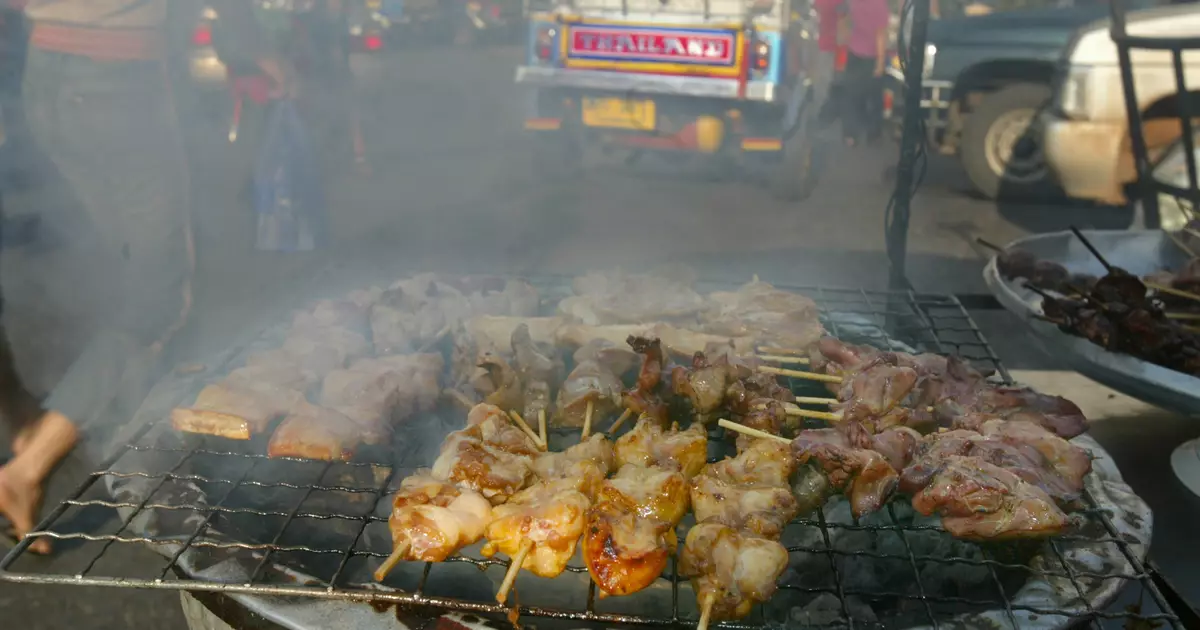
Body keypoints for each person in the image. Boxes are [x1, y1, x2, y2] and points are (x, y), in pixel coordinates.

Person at [0, 0, 290, 553]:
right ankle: (28, 467)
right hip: (119, 80)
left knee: (135, 265)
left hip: (45, 73)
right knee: (162, 296)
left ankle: (34, 425)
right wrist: (255, 48)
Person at [841, 0, 891, 146]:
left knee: (851, 95)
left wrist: (849, 39)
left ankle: (850, 135)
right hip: (871, 56)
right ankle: (873, 134)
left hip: (854, 52)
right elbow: (880, 34)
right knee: (874, 96)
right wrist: (880, 62)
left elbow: (846, 20)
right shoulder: (879, 5)